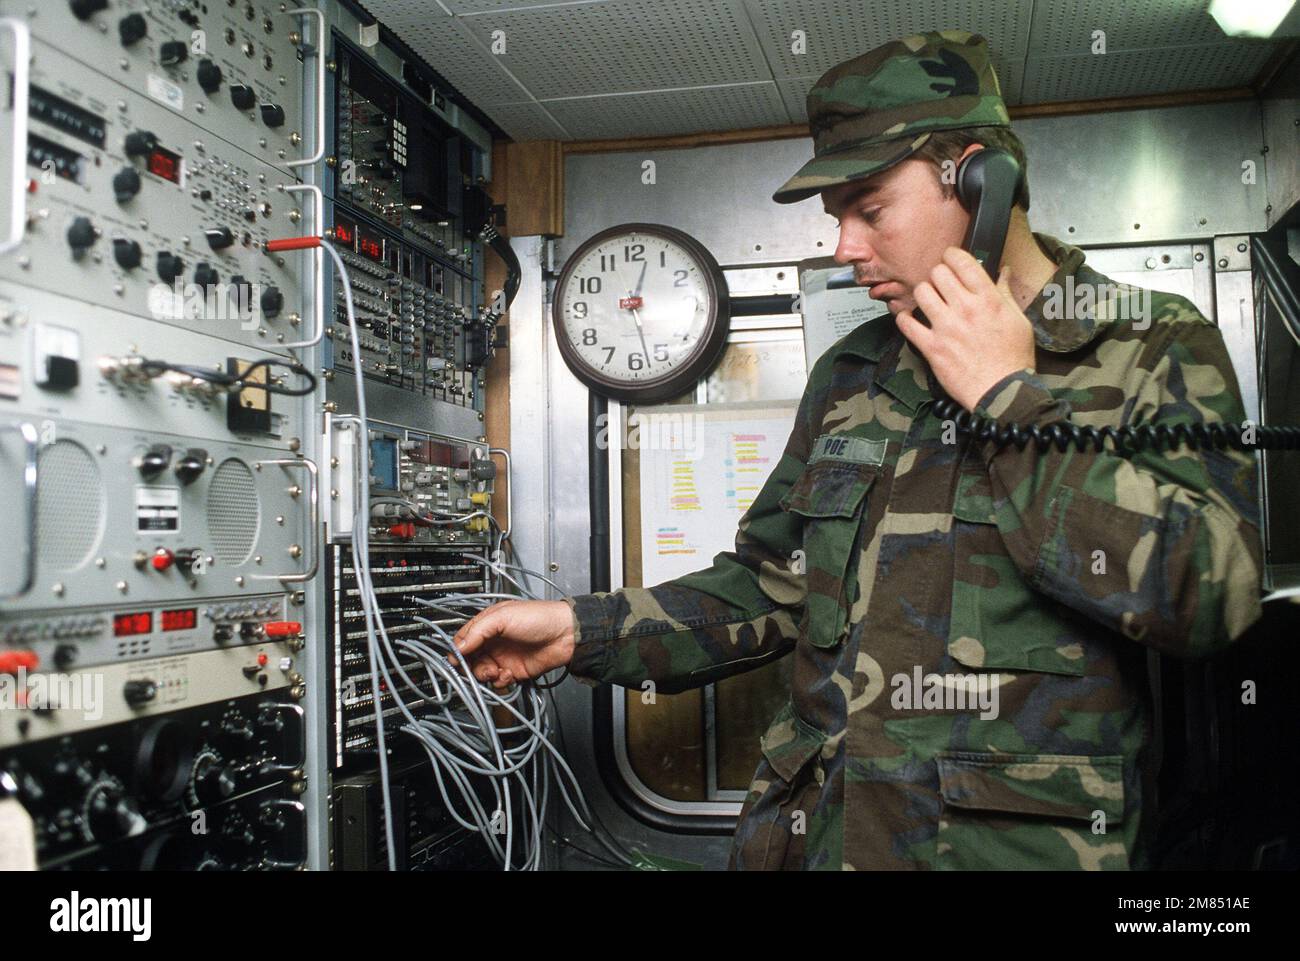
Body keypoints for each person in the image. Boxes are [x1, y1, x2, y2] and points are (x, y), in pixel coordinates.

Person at [453, 29, 1264, 869]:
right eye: (837, 216)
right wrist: (581, 631)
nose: (844, 247)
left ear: (981, 180)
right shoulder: (855, 369)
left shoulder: (1151, 341)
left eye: (869, 210)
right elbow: (771, 590)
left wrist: (1007, 399)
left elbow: (1211, 597)